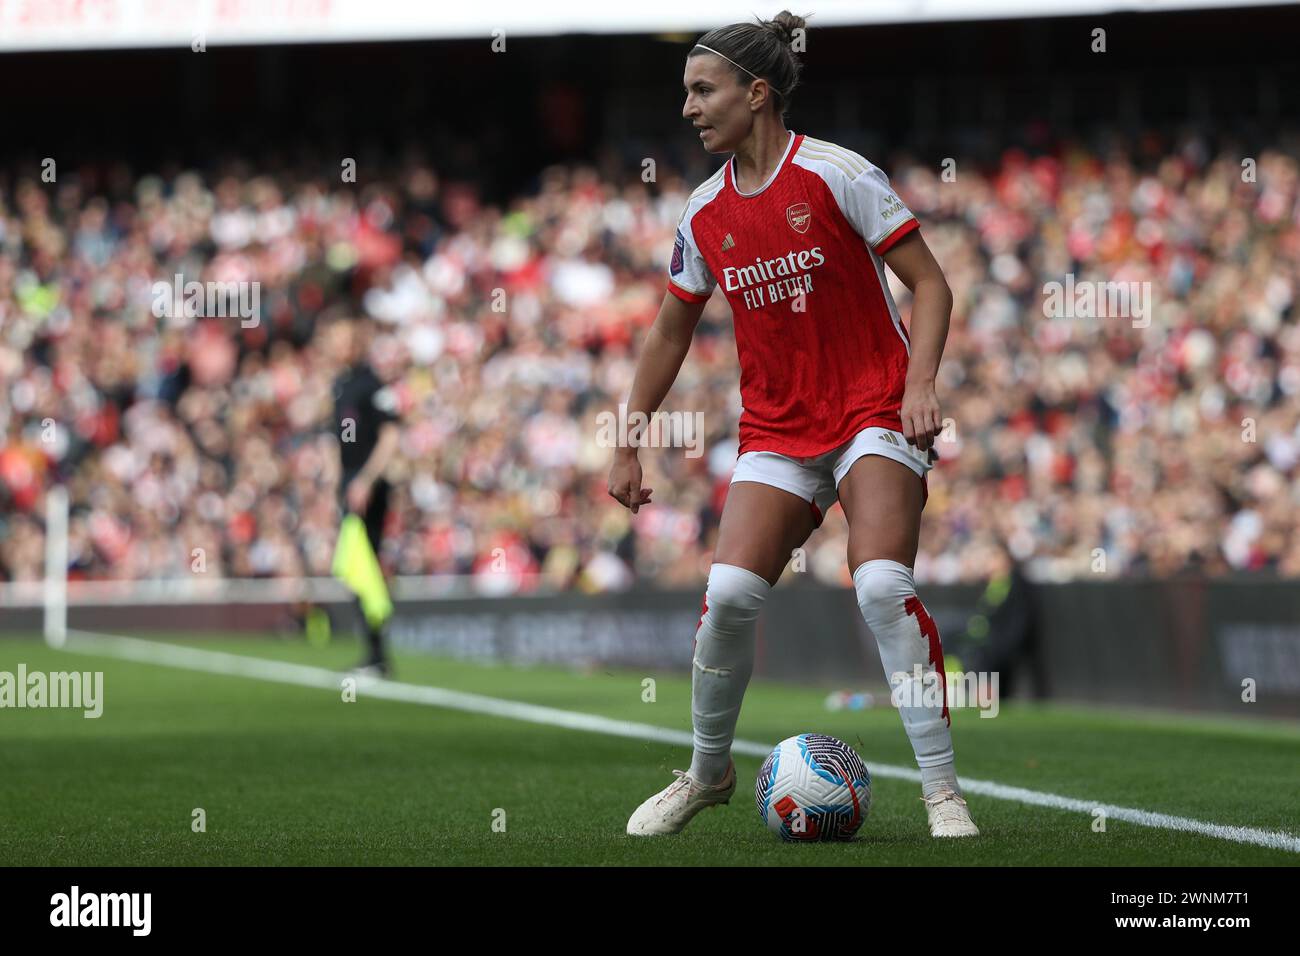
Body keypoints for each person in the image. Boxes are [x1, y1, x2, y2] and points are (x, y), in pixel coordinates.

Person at [609, 11, 978, 838]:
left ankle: (942, 793)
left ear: (757, 91)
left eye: (703, 90)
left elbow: (932, 284)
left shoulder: (838, 174)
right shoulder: (703, 212)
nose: (689, 108)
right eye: (687, 93)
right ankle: (706, 776)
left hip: (874, 408)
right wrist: (627, 438)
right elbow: (669, 330)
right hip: (778, 428)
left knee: (882, 584)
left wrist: (921, 384)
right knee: (730, 593)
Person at [328, 318, 401, 677]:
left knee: (365, 567)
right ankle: (374, 653)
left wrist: (366, 480)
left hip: (367, 489)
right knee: (355, 569)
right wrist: (337, 482)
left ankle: (378, 654)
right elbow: (337, 441)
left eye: (342, 339)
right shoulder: (341, 385)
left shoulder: (371, 385)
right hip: (350, 485)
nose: (336, 347)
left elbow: (390, 436)